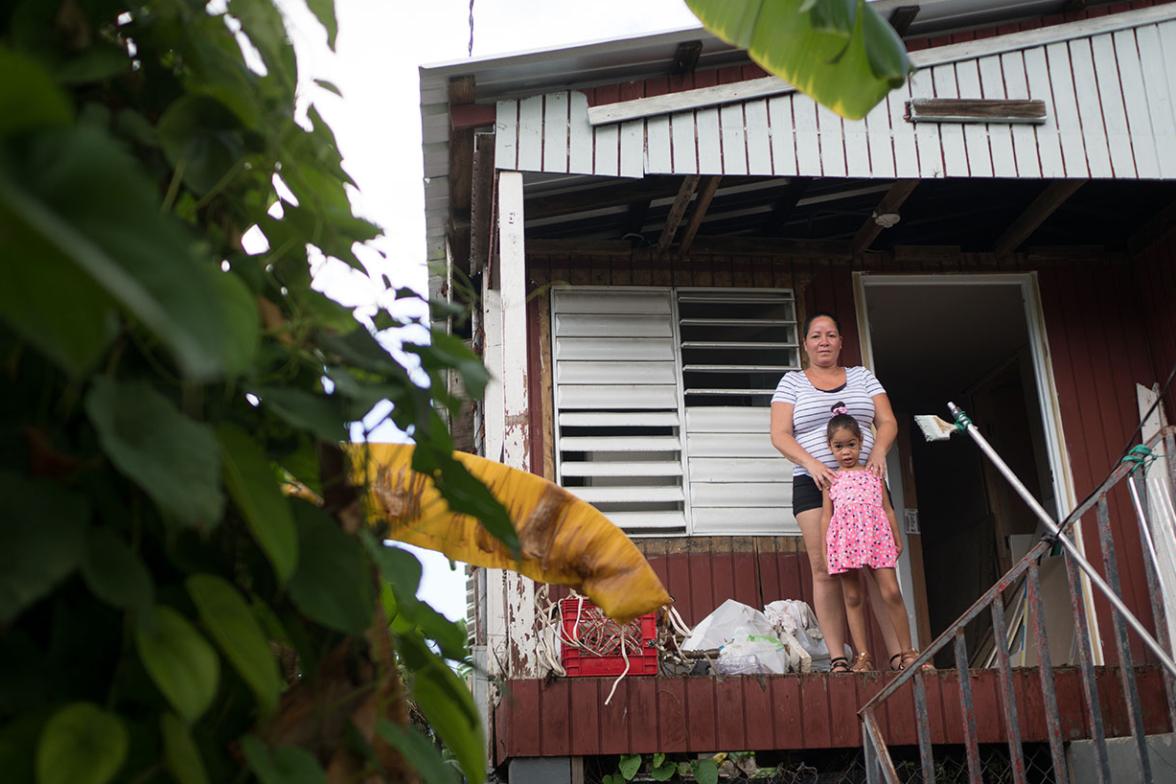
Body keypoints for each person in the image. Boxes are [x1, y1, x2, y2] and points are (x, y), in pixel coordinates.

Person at [769, 311, 907, 673]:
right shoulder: (791, 383)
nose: (824, 342)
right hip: (815, 486)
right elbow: (780, 434)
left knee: (879, 565)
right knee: (825, 568)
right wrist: (813, 464)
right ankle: (839, 658)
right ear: (805, 344)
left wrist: (877, 453)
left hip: (865, 483)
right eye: (816, 336)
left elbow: (888, 421)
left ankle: (900, 653)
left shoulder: (863, 377)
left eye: (831, 335)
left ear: (841, 341)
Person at [822, 408, 928, 672]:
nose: (846, 452)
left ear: (861, 442)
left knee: (891, 591)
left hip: (876, 538)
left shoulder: (874, 473)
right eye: (839, 446)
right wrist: (827, 550)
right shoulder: (830, 480)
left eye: (851, 445)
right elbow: (827, 517)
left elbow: (888, 508)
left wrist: (896, 536)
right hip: (845, 542)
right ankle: (863, 656)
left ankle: (908, 651)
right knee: (853, 596)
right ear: (830, 447)